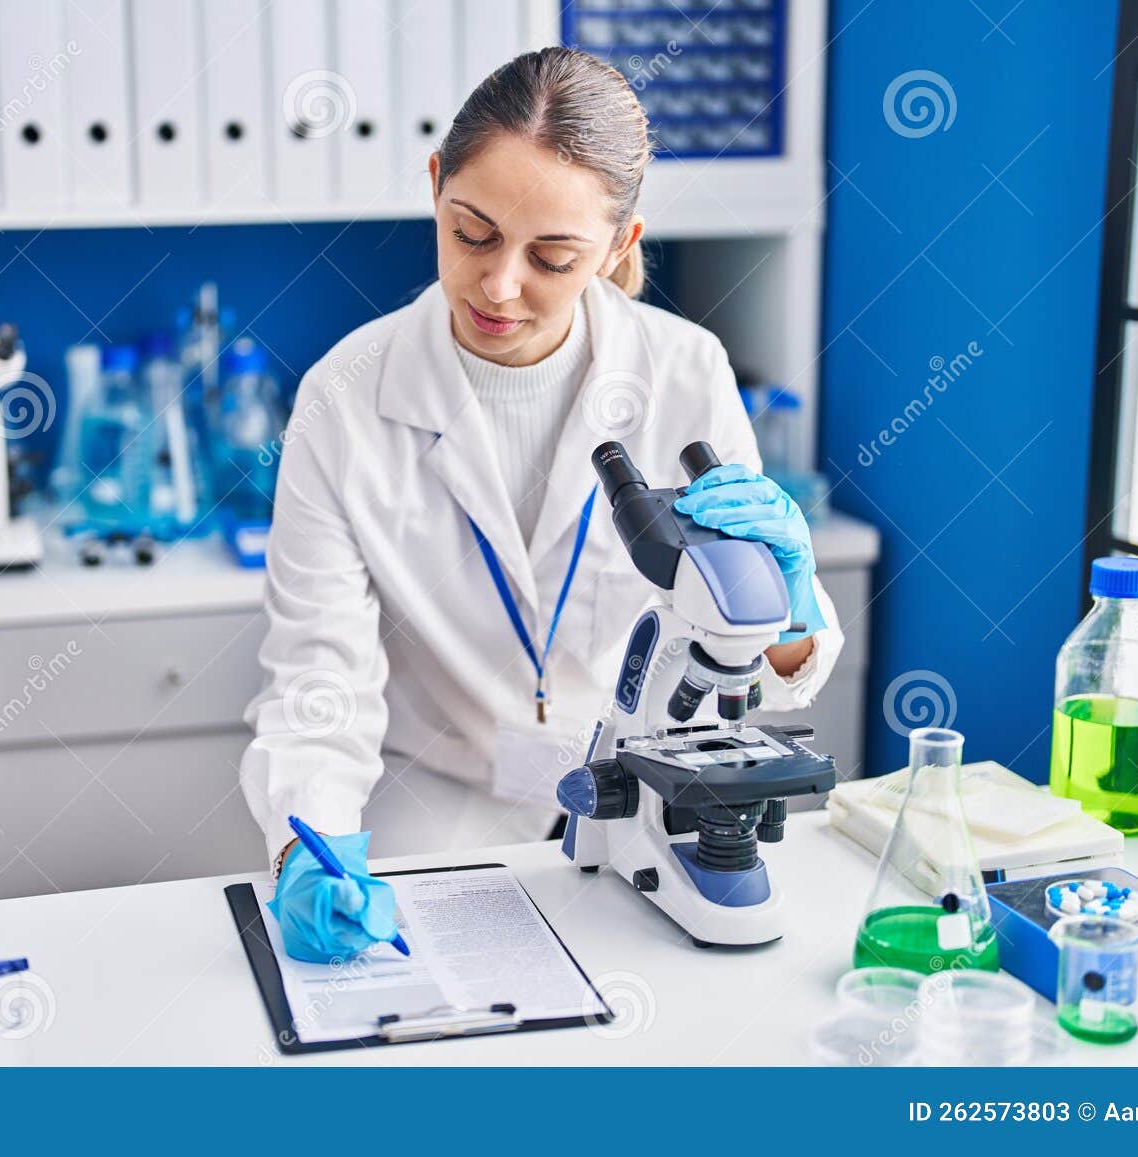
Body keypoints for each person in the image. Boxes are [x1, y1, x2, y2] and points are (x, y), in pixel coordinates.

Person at [242, 47, 844, 961]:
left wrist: (788, 604)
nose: (500, 285)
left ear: (617, 249)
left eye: (554, 256)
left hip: (641, 808)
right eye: (472, 233)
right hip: (425, 828)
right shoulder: (344, 395)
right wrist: (307, 845)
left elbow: (756, 657)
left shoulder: (685, 372)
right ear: (436, 184)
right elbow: (316, 676)